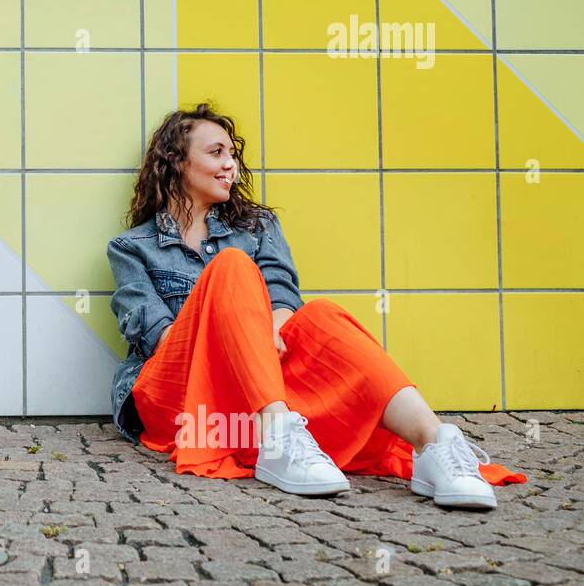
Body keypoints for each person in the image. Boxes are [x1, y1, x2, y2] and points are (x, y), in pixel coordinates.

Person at [107, 102, 526, 510]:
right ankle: (276, 435)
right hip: (180, 400)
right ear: (177, 162)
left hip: (251, 399)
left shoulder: (257, 226)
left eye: (232, 154)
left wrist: (267, 332)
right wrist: (241, 328)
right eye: (216, 153)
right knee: (231, 266)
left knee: (321, 315)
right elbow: (159, 339)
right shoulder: (131, 248)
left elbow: (282, 296)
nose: (230, 165)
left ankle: (434, 444)